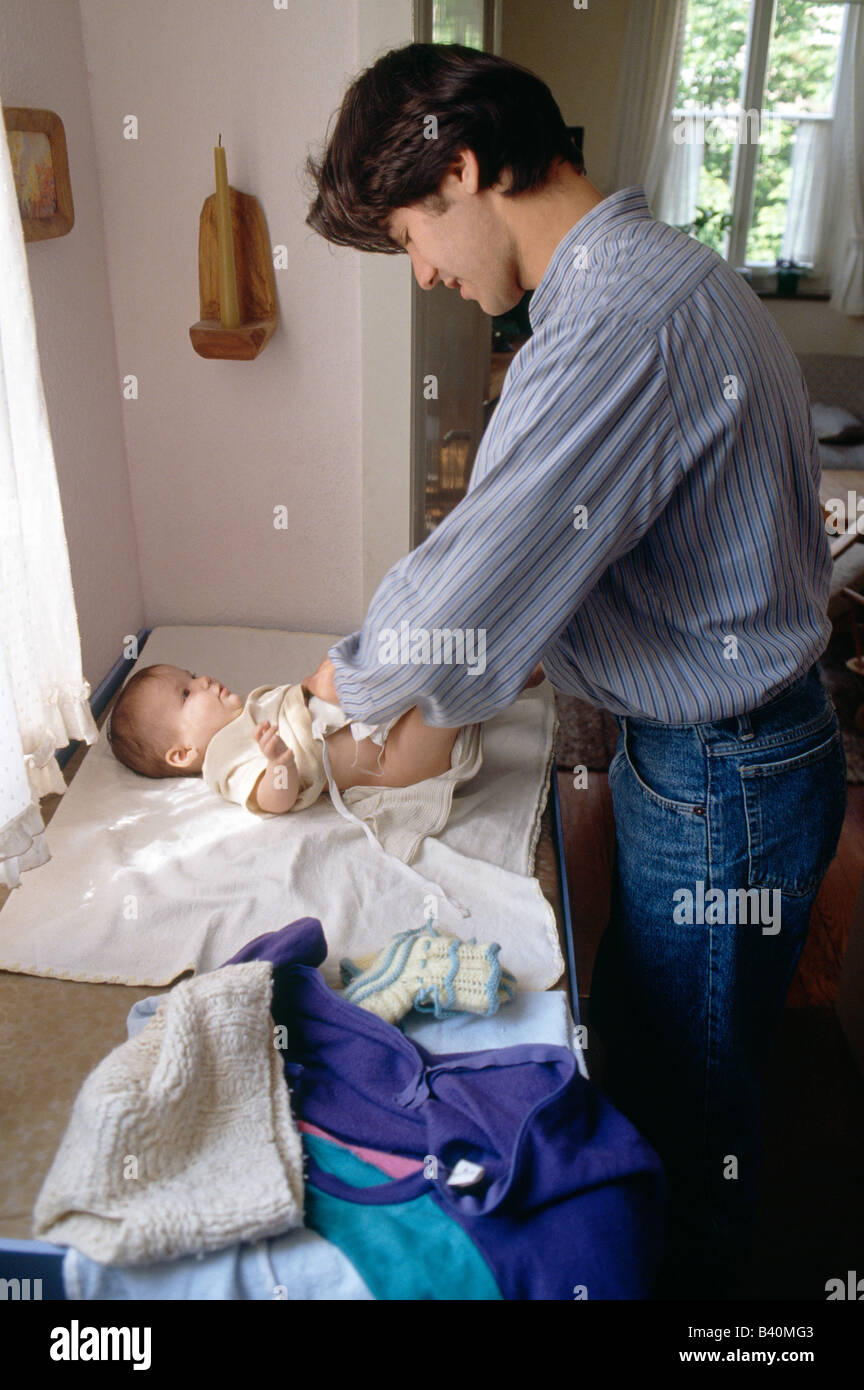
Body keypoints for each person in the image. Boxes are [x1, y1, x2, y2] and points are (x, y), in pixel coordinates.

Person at [302, 43, 846, 1299]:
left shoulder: (623, 321)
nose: (428, 273)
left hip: (729, 776)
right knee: (667, 1060)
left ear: (467, 167)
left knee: (686, 1106)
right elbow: (557, 551)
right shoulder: (641, 289)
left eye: (413, 238)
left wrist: (328, 690)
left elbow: (468, 583)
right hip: (726, 759)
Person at [106, 662, 480, 832]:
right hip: (395, 760)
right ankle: (486, 680)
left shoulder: (252, 709)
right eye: (186, 693)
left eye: (191, 674)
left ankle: (487, 675)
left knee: (345, 670)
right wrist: (279, 764)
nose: (202, 678)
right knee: (447, 694)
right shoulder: (223, 759)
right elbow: (275, 800)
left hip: (378, 716)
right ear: (183, 753)